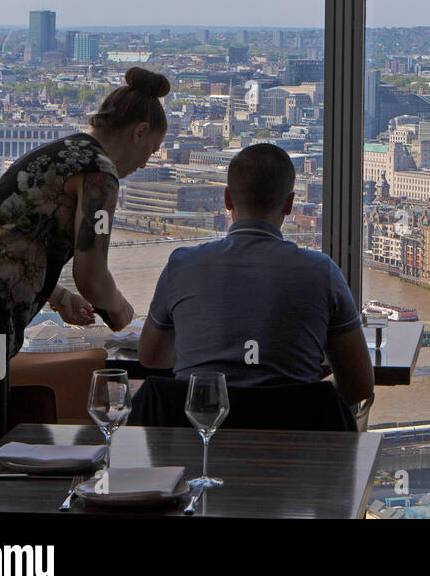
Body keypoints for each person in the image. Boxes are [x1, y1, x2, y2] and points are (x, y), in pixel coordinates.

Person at [0, 67, 165, 478]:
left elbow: (6, 239)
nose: (144, 164)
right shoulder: (100, 173)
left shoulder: (59, 152)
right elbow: (92, 273)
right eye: (151, 151)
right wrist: (119, 310)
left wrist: (58, 298)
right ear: (139, 131)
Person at [137, 143, 373, 407]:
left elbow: (150, 357)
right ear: (289, 204)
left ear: (227, 200)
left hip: (201, 440)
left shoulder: (181, 265)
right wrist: (310, 398)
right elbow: (359, 384)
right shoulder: (322, 272)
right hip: (292, 441)